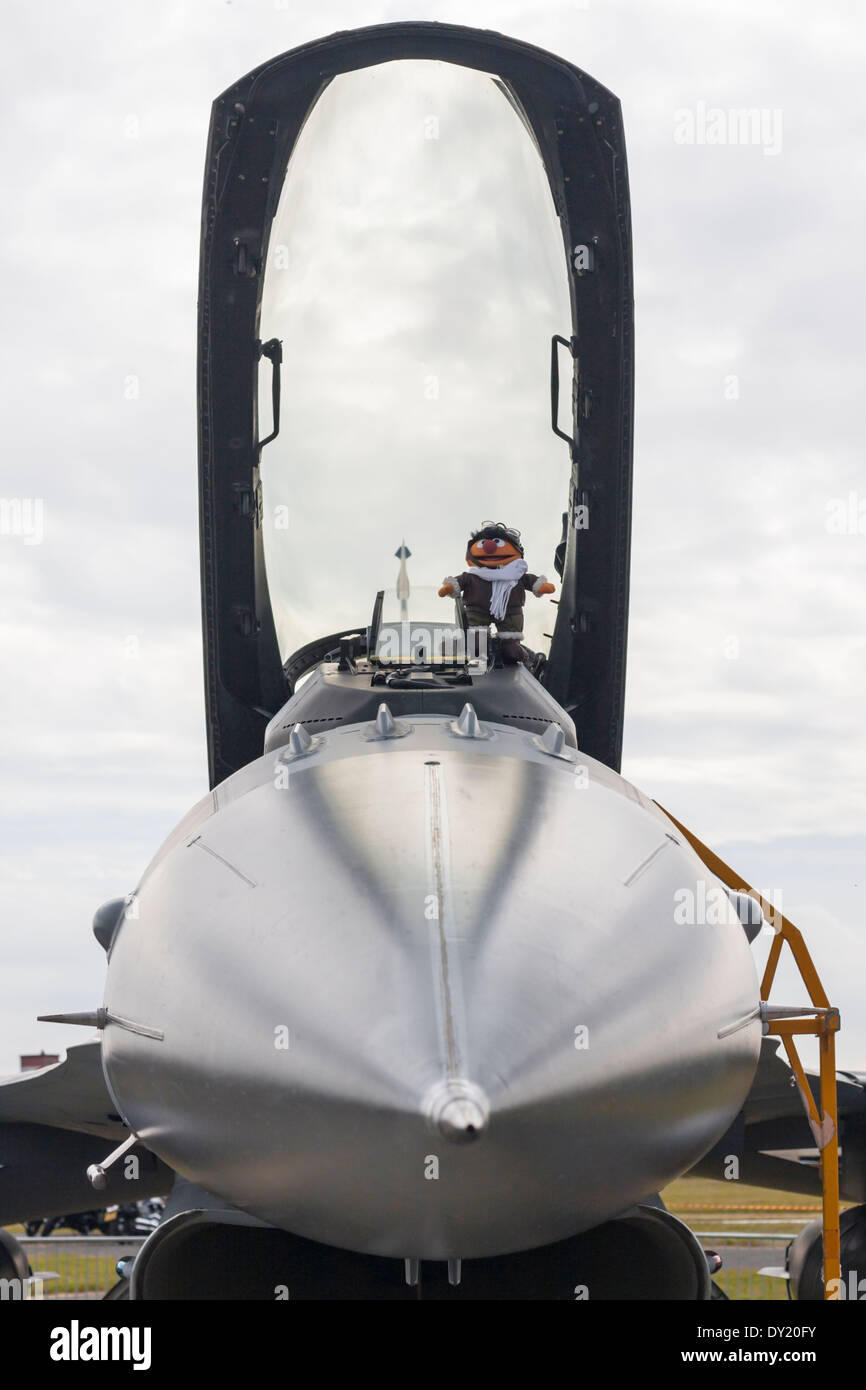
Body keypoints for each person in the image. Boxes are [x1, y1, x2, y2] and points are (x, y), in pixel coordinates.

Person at [438, 522, 555, 664]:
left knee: (510, 646)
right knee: (476, 641)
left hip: (510, 613)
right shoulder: (472, 576)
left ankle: (511, 646)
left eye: (497, 542)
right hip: (477, 611)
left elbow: (530, 581)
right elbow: (457, 582)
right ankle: (476, 644)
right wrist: (450, 587)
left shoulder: (516, 575)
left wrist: (541, 586)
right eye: (485, 543)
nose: (490, 547)